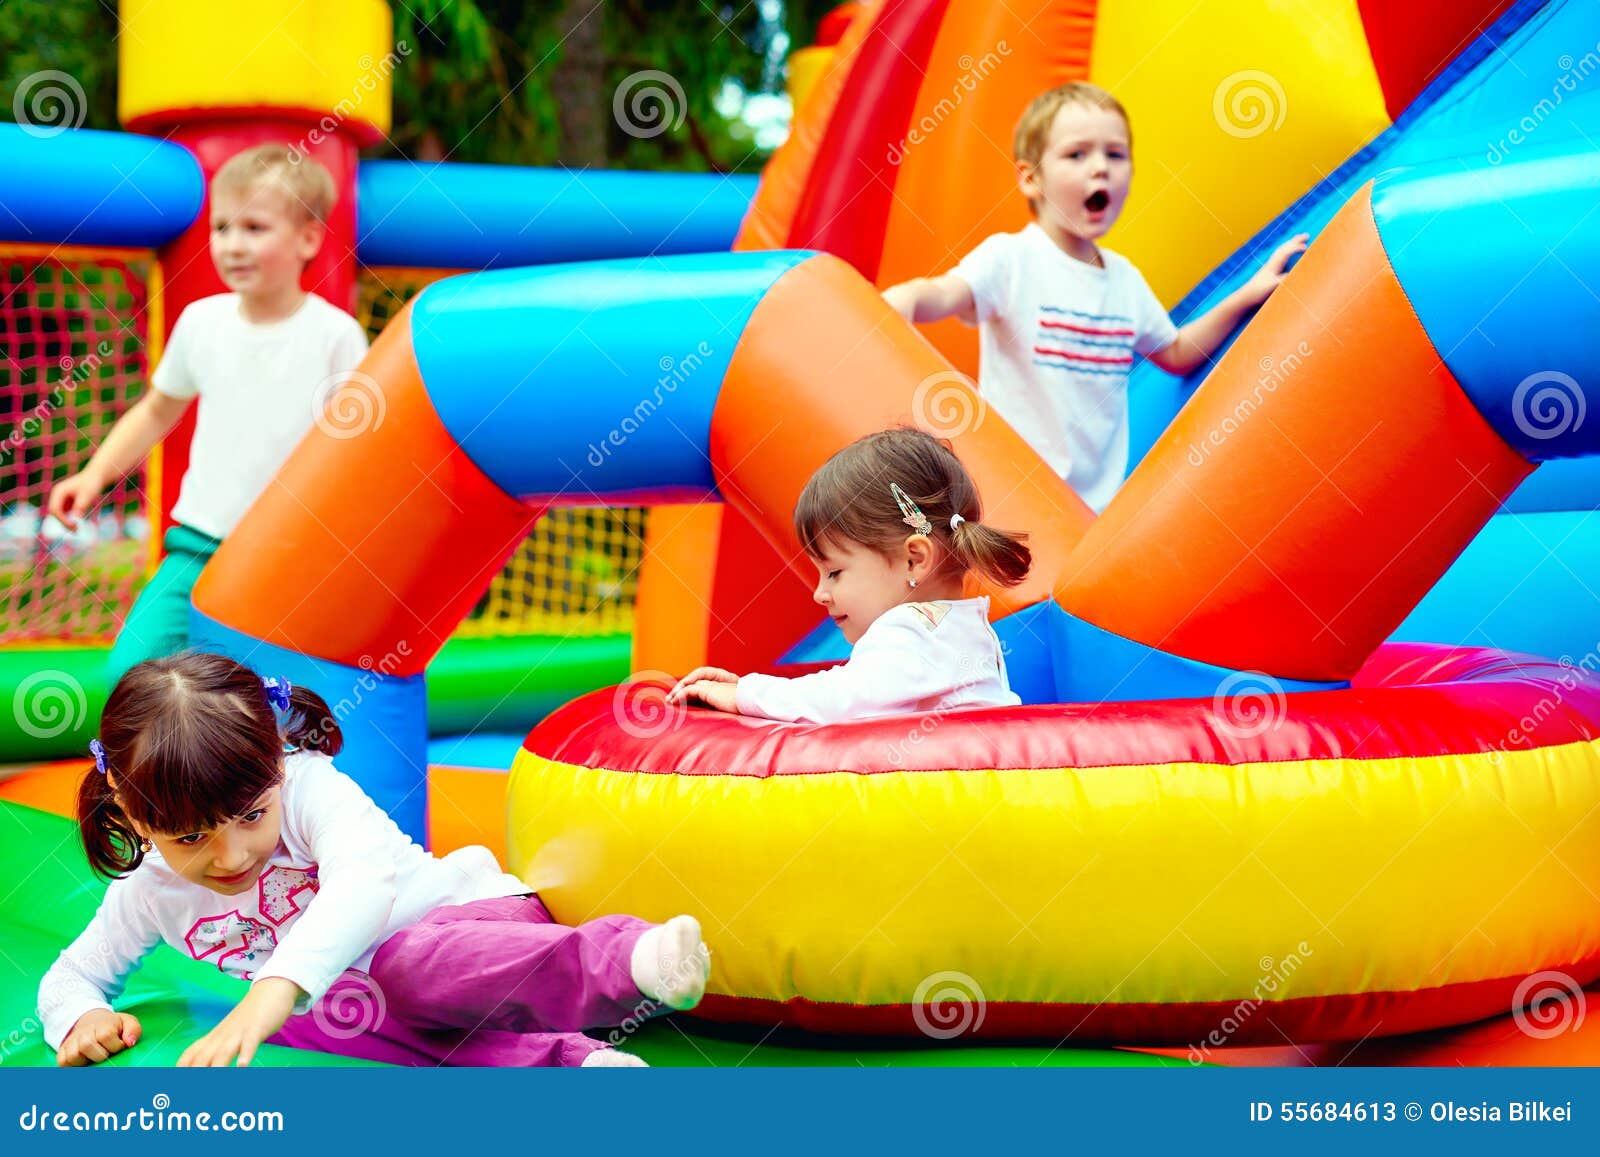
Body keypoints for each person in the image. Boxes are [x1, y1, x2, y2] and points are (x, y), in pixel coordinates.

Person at [41, 652, 711, 1068]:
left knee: (396, 971)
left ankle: (626, 959)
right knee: (322, 1021)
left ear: (277, 762)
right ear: (130, 809)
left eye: (251, 817)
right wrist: (81, 1016)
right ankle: (575, 1065)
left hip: (472, 930)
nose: (232, 855)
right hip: (382, 1003)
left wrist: (272, 989)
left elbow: (364, 884)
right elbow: (72, 974)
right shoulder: (149, 891)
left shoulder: (309, 788)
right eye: (190, 838)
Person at [883, 82, 1308, 512]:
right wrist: (907, 299)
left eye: (1115, 154)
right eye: (1077, 154)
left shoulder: (1124, 280)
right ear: (1031, 178)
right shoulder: (1011, 259)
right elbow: (945, 293)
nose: (1101, 168)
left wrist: (1247, 294)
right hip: (1011, 496)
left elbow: (1177, 353)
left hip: (1093, 512)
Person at [47, 145, 370, 682]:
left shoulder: (335, 336)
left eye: (254, 227)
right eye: (222, 227)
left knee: (278, 691)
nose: (233, 244)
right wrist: (94, 475)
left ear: (308, 239)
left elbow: (358, 453)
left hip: (295, 555)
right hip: (199, 547)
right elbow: (156, 412)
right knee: (131, 674)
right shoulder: (202, 323)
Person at [669, 428, 1030, 724]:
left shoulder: (914, 631)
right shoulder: (959, 629)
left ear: (914, 560)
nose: (819, 593)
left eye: (834, 572)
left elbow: (840, 700)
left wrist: (745, 695)